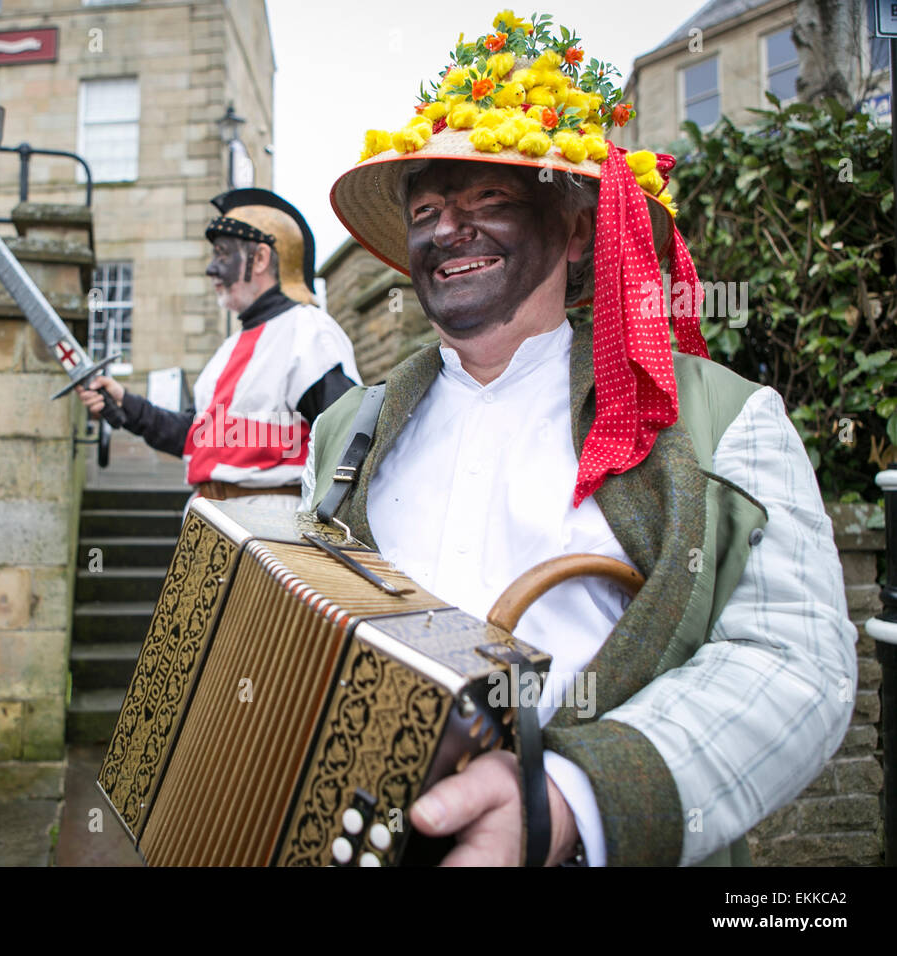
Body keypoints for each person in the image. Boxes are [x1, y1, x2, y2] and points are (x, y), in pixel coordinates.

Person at [302, 11, 857, 866]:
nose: (449, 230)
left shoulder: (722, 419)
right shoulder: (346, 429)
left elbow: (794, 664)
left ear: (573, 232)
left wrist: (569, 799)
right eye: (428, 210)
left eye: (489, 201)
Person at [78, 189, 362, 509]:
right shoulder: (229, 348)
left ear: (260, 259)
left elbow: (349, 443)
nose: (211, 269)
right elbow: (195, 436)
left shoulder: (309, 332)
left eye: (223, 254)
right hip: (208, 519)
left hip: (272, 529)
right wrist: (125, 405)